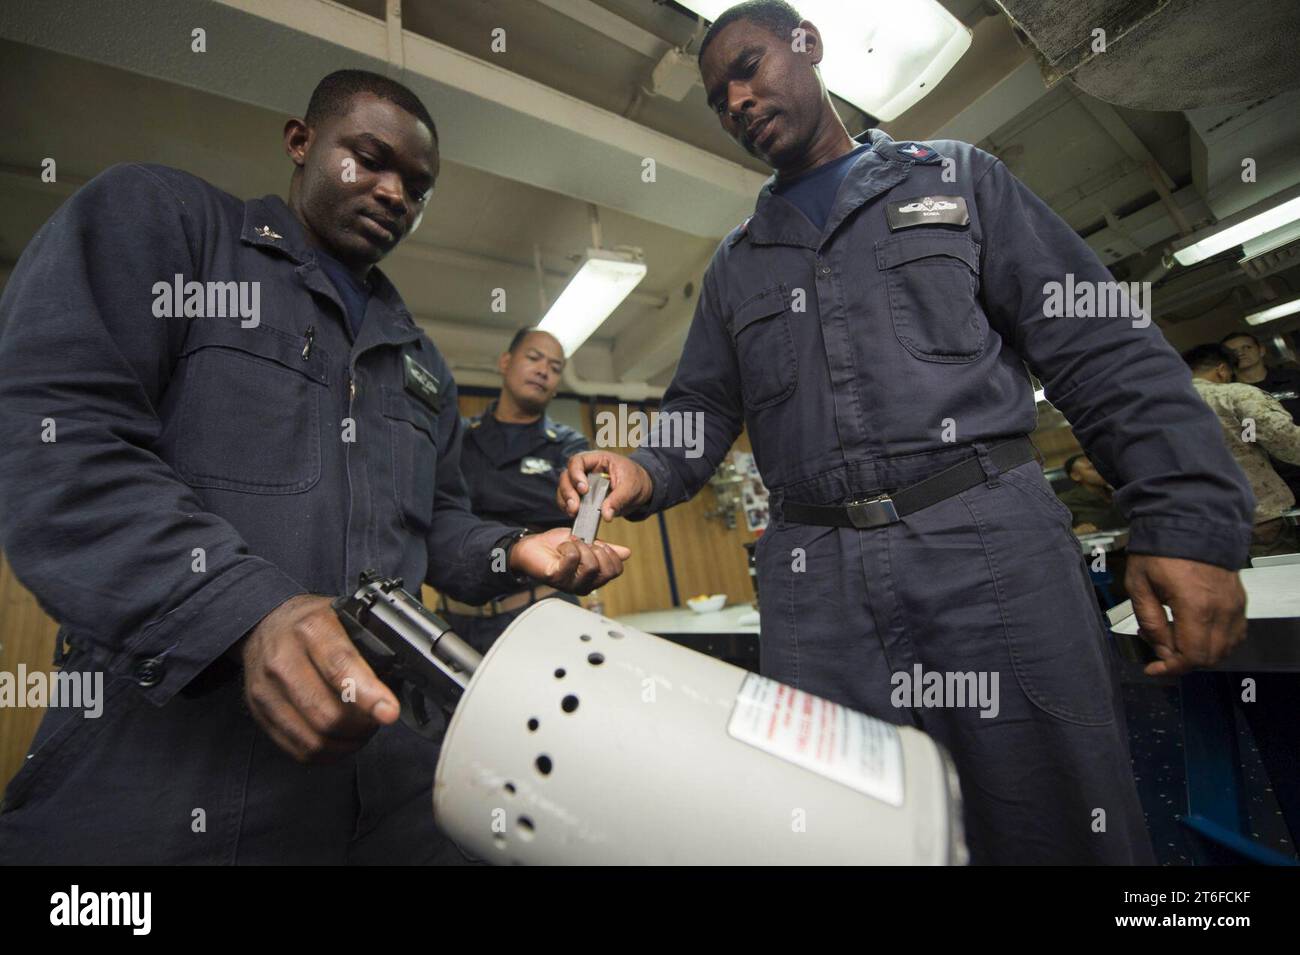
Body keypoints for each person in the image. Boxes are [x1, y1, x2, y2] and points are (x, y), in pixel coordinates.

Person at [559, 0, 1253, 865]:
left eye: (746, 67)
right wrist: (640, 469)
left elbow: (1100, 343)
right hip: (818, 589)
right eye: (716, 97)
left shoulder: (957, 179)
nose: (734, 101)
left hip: (989, 553)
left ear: (807, 45)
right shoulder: (737, 266)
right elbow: (699, 410)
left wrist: (1184, 518)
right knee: (848, 832)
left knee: (1059, 820)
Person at [0, 69, 629, 864]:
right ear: (300, 141)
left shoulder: (419, 360)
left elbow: (439, 525)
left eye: (417, 185)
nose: (394, 192)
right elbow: (60, 441)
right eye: (369, 159)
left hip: (385, 763)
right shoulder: (170, 230)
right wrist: (243, 609)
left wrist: (512, 551)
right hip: (165, 761)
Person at [441, 327, 591, 652]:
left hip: (542, 616)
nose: (543, 371)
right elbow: (436, 510)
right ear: (506, 362)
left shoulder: (570, 445)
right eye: (534, 358)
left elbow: (572, 512)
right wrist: (531, 494)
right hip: (455, 625)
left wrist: (475, 501)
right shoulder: (462, 436)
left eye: (555, 368)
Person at [1185, 343, 1300, 557]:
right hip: (1259, 515)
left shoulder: (1160, 409)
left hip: (1199, 526)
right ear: (1222, 370)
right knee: (1282, 582)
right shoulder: (1234, 394)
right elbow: (1283, 437)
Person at [1221, 330, 1300, 500]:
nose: (1241, 353)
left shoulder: (1293, 379)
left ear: (1261, 350)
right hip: (1269, 478)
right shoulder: (1225, 397)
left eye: (1247, 347)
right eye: (1233, 352)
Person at [1059, 453, 1126, 535]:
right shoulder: (1065, 502)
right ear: (1076, 476)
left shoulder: (1120, 493)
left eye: (1101, 466)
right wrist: (1076, 532)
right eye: (1093, 468)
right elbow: (1055, 534)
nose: (1101, 471)